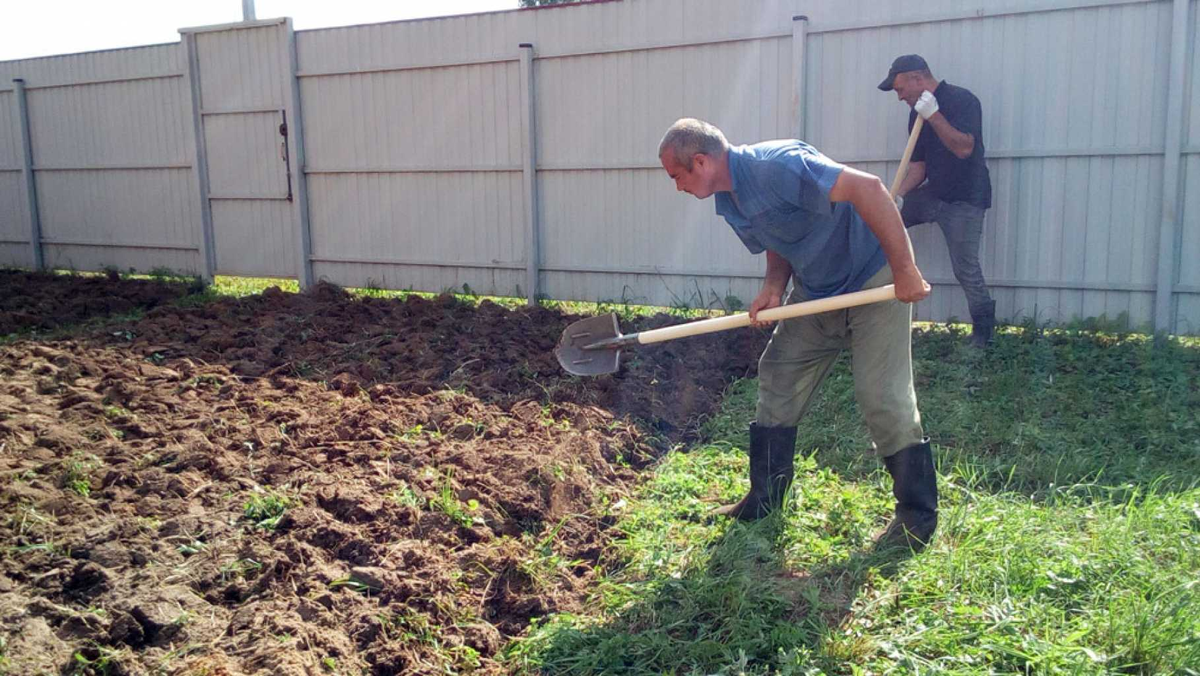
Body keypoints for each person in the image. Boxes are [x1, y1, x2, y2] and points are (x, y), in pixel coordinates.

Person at [657, 118, 937, 549]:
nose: (676, 187)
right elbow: (779, 235)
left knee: (881, 394)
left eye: (676, 176)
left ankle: (917, 515)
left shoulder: (778, 165)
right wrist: (773, 287)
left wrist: (904, 270)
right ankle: (765, 497)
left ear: (700, 161)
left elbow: (870, 189)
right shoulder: (729, 200)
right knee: (780, 372)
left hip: (871, 280)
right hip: (817, 290)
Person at [879, 54, 996, 348]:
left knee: (964, 266)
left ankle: (984, 333)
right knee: (881, 227)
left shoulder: (962, 101)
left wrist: (933, 115)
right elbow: (918, 168)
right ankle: (872, 310)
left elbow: (964, 148)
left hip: (966, 199)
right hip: (933, 194)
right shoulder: (915, 114)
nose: (899, 97)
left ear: (917, 78)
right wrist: (895, 198)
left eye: (899, 89)